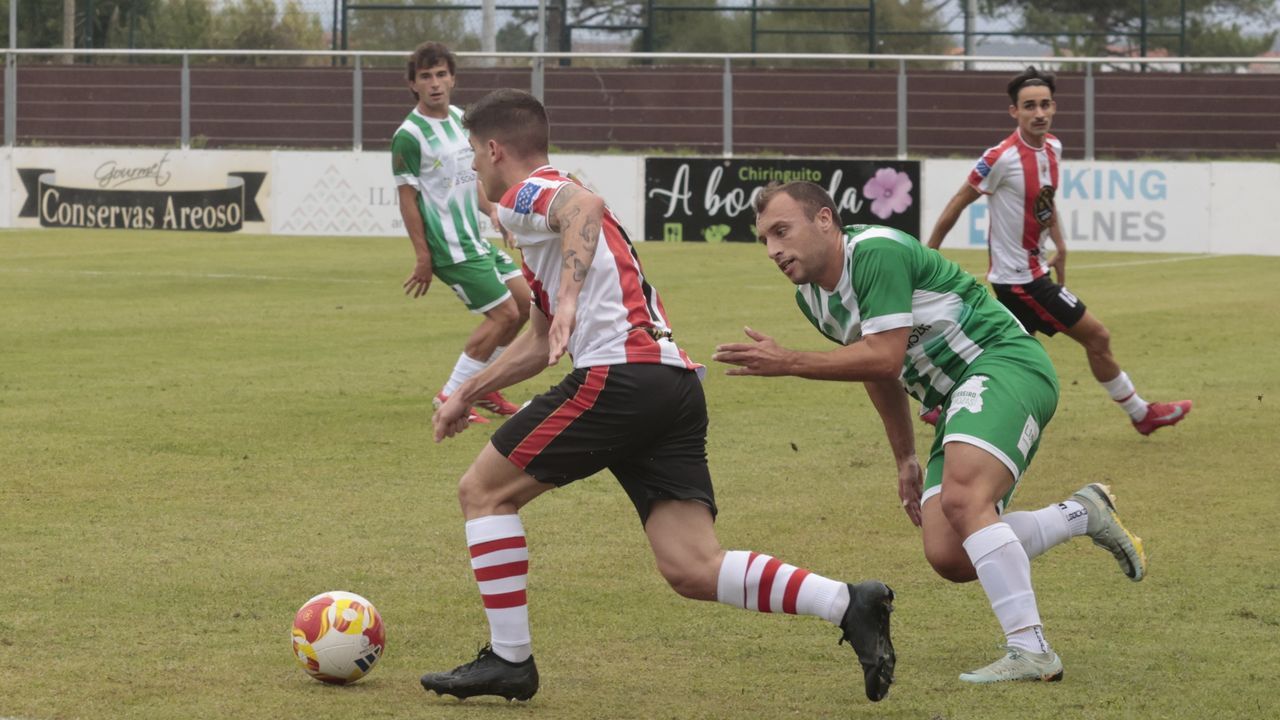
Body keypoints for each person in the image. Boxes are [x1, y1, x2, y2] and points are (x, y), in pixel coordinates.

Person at [419, 90, 896, 704]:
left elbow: (583, 206)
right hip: (669, 384)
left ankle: (510, 660)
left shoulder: (527, 191)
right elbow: (541, 344)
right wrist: (466, 391)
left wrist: (567, 297)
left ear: (493, 149)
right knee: (691, 567)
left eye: (473, 154)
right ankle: (847, 602)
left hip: (620, 379)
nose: (474, 169)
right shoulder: (535, 221)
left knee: (481, 493)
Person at [714, 181, 1148, 683]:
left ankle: (1031, 649)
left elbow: (885, 355)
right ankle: (1081, 513)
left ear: (825, 220)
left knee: (965, 500)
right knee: (950, 554)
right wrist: (905, 459)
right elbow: (875, 371)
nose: (773, 250)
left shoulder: (875, 252)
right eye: (765, 239)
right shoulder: (812, 298)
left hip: (1004, 363)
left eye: (782, 231)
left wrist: (789, 360)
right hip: (956, 400)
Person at [926, 66, 1190, 436]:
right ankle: (1140, 413)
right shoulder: (1001, 157)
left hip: (1034, 272)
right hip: (1019, 282)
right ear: (1013, 112)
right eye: (1029, 106)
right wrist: (928, 255)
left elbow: (1045, 205)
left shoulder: (1053, 148)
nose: (1039, 113)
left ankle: (946, 404)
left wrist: (1060, 243)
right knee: (1096, 337)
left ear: (1054, 107)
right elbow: (958, 201)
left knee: (1004, 359)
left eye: (1045, 105)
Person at [392, 42, 531, 424]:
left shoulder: (460, 119)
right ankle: (451, 394)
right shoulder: (408, 135)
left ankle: (486, 387)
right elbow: (407, 199)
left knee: (526, 305)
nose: (435, 83)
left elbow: (471, 178)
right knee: (503, 314)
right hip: (448, 246)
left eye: (440, 74)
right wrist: (423, 257)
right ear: (413, 84)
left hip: (474, 238)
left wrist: (493, 212)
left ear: (452, 78)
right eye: (425, 76)